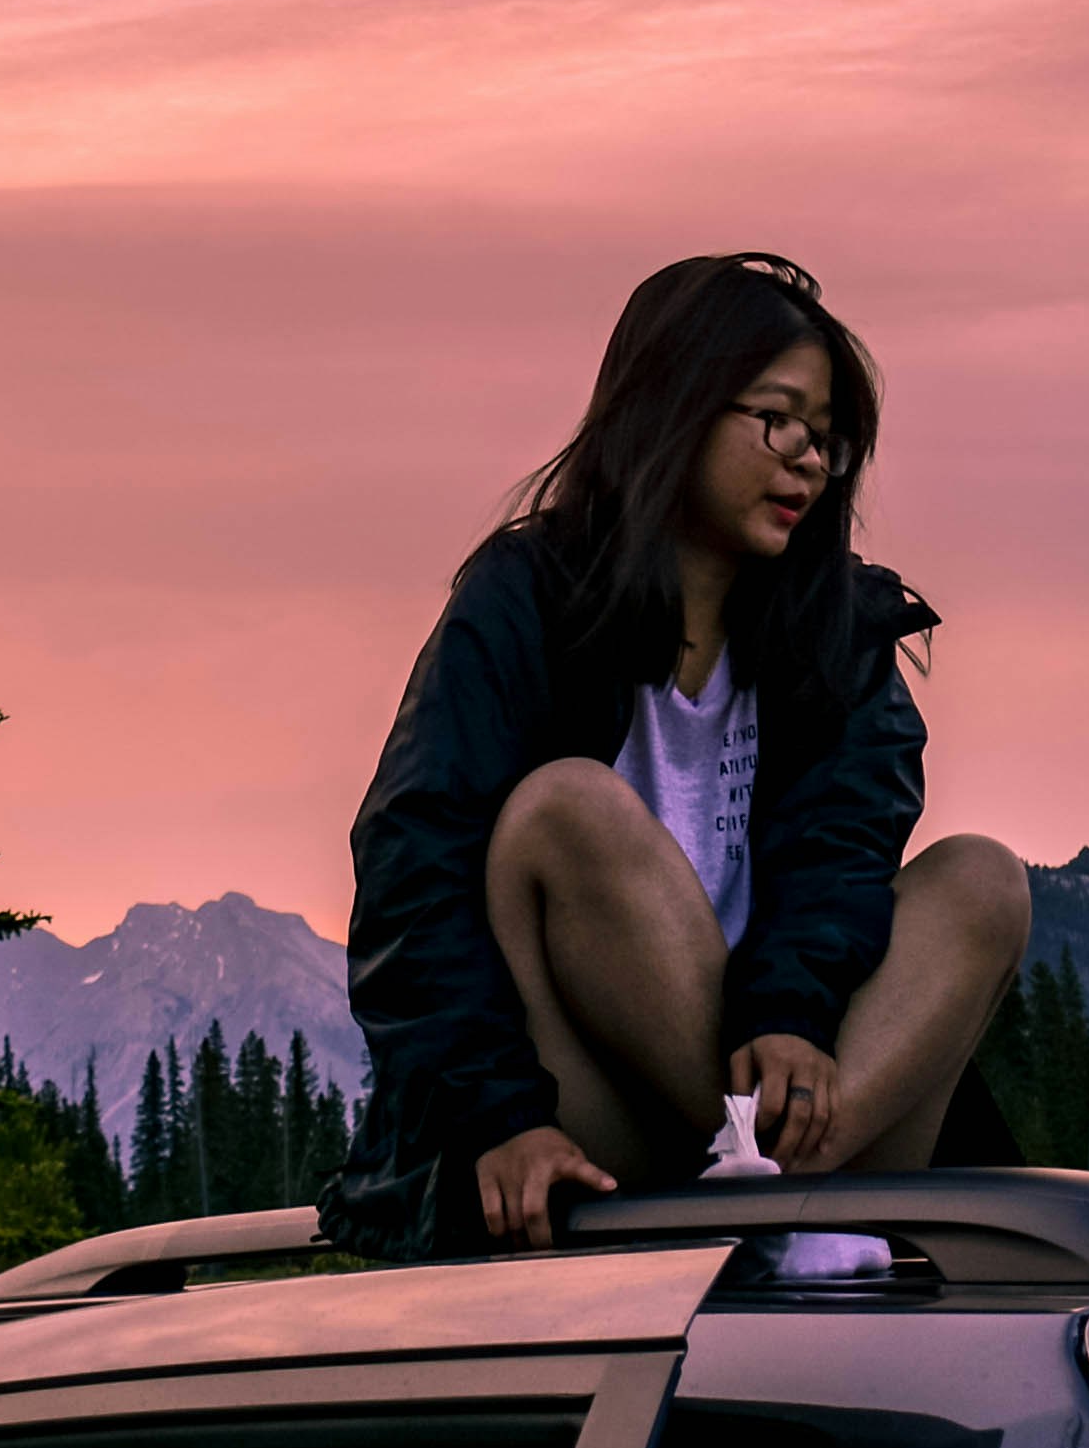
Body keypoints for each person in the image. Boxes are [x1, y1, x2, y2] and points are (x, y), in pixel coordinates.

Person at [327, 249, 1033, 1259]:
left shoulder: (834, 634)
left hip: (799, 1095)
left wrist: (790, 1014)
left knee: (981, 880)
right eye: (777, 418)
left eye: (827, 441)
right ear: (674, 404)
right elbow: (414, 867)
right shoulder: (526, 600)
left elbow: (842, 855)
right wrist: (500, 1118)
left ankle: (783, 1199)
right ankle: (801, 1217)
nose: (805, 459)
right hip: (592, 1114)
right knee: (568, 808)